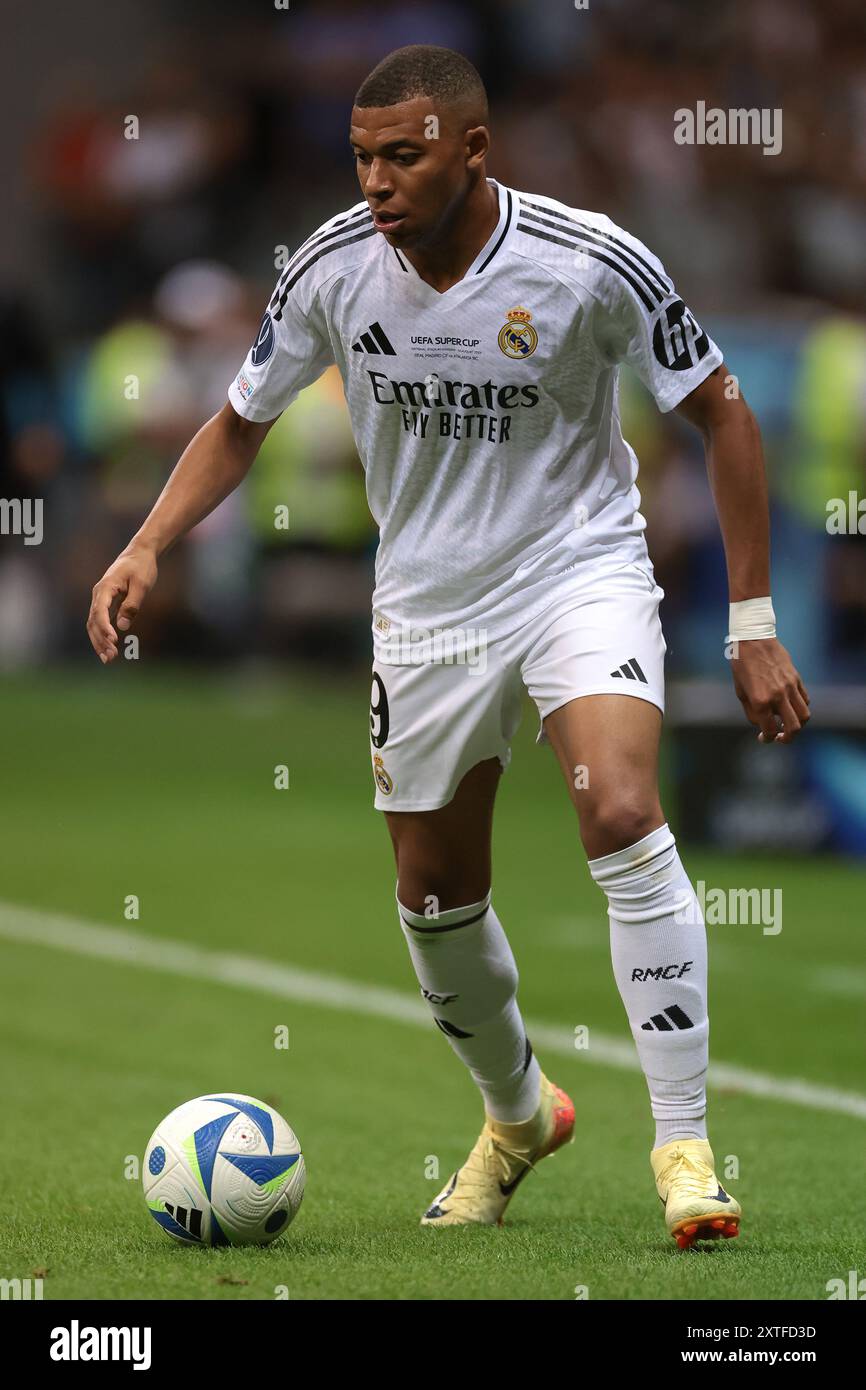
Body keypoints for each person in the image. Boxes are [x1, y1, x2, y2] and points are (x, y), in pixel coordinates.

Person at [87, 44, 810, 1246]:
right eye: (362, 155)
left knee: (622, 812)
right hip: (425, 603)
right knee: (432, 894)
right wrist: (148, 543)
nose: (375, 179)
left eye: (404, 154)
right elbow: (238, 420)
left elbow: (721, 413)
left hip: (577, 568)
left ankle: (683, 1147)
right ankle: (517, 1115)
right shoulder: (329, 269)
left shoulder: (587, 261)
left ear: (473, 150)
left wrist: (749, 622)